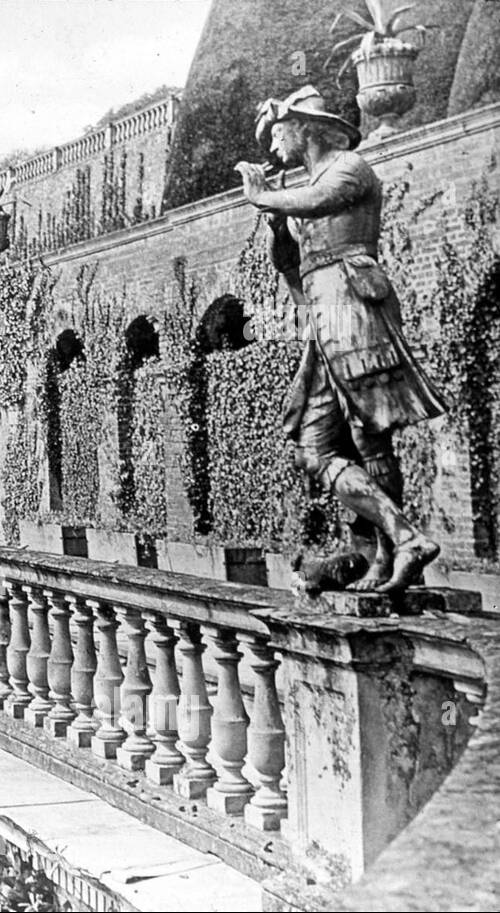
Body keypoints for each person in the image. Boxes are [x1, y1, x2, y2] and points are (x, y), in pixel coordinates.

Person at [236, 85, 449, 593]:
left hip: (354, 310)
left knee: (369, 436)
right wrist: (276, 228)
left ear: (305, 128)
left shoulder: (349, 168)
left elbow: (318, 201)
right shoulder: (305, 187)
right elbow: (294, 271)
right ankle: (399, 541)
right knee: (314, 449)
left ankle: (386, 555)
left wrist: (264, 195)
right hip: (324, 318)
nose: (274, 147)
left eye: (278, 132)